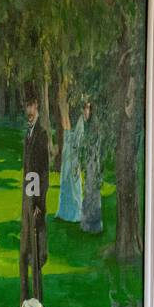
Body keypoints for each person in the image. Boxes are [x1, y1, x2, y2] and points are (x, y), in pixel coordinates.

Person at [20, 87, 50, 302]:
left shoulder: (41, 134)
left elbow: (43, 173)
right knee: (24, 250)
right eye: (26, 106)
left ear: (37, 104)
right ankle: (24, 299)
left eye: (31, 105)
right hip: (27, 198)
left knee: (37, 252)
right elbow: (28, 170)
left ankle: (38, 301)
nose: (28, 110)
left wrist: (39, 202)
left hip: (36, 201)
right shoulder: (29, 133)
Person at [55, 89, 83, 223]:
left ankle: (75, 211)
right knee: (67, 179)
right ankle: (67, 211)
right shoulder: (69, 122)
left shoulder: (80, 120)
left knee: (74, 181)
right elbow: (66, 128)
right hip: (70, 149)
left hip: (74, 152)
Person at [80, 99, 104, 235]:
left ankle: (93, 224)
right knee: (89, 191)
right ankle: (88, 223)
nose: (85, 112)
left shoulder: (94, 126)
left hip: (94, 163)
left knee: (93, 191)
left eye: (88, 109)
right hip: (90, 162)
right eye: (84, 109)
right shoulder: (87, 125)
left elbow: (95, 147)